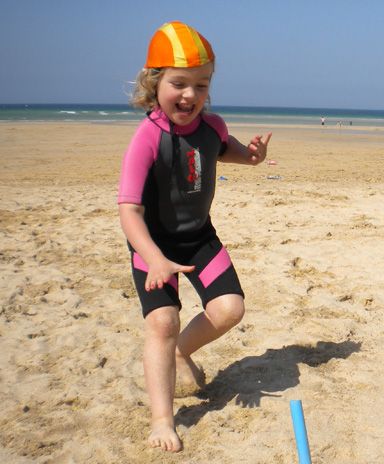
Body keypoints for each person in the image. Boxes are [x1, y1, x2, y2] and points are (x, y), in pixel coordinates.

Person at [118, 21, 272, 452]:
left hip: (199, 236)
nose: (189, 95)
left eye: (201, 85)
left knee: (229, 309)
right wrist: (154, 258)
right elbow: (128, 210)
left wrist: (254, 157)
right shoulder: (147, 137)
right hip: (153, 243)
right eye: (178, 83)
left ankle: (182, 352)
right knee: (162, 323)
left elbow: (228, 151)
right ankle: (163, 419)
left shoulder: (212, 127)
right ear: (154, 83)